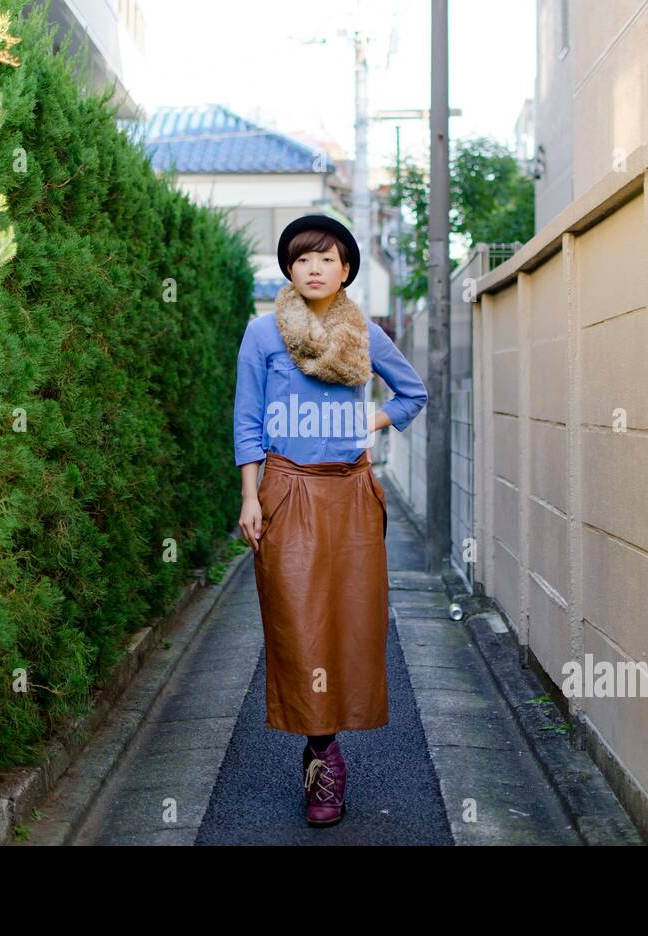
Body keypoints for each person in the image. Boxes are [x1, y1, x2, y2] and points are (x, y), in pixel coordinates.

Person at [232, 214, 429, 827]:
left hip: (351, 495)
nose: (313, 268)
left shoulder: (365, 333)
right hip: (287, 489)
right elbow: (247, 421)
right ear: (289, 270)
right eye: (301, 259)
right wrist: (250, 496)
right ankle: (323, 754)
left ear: (345, 269)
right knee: (298, 624)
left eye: (327, 258)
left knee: (349, 625)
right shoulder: (264, 335)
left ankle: (326, 743)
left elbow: (412, 394)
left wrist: (363, 424)